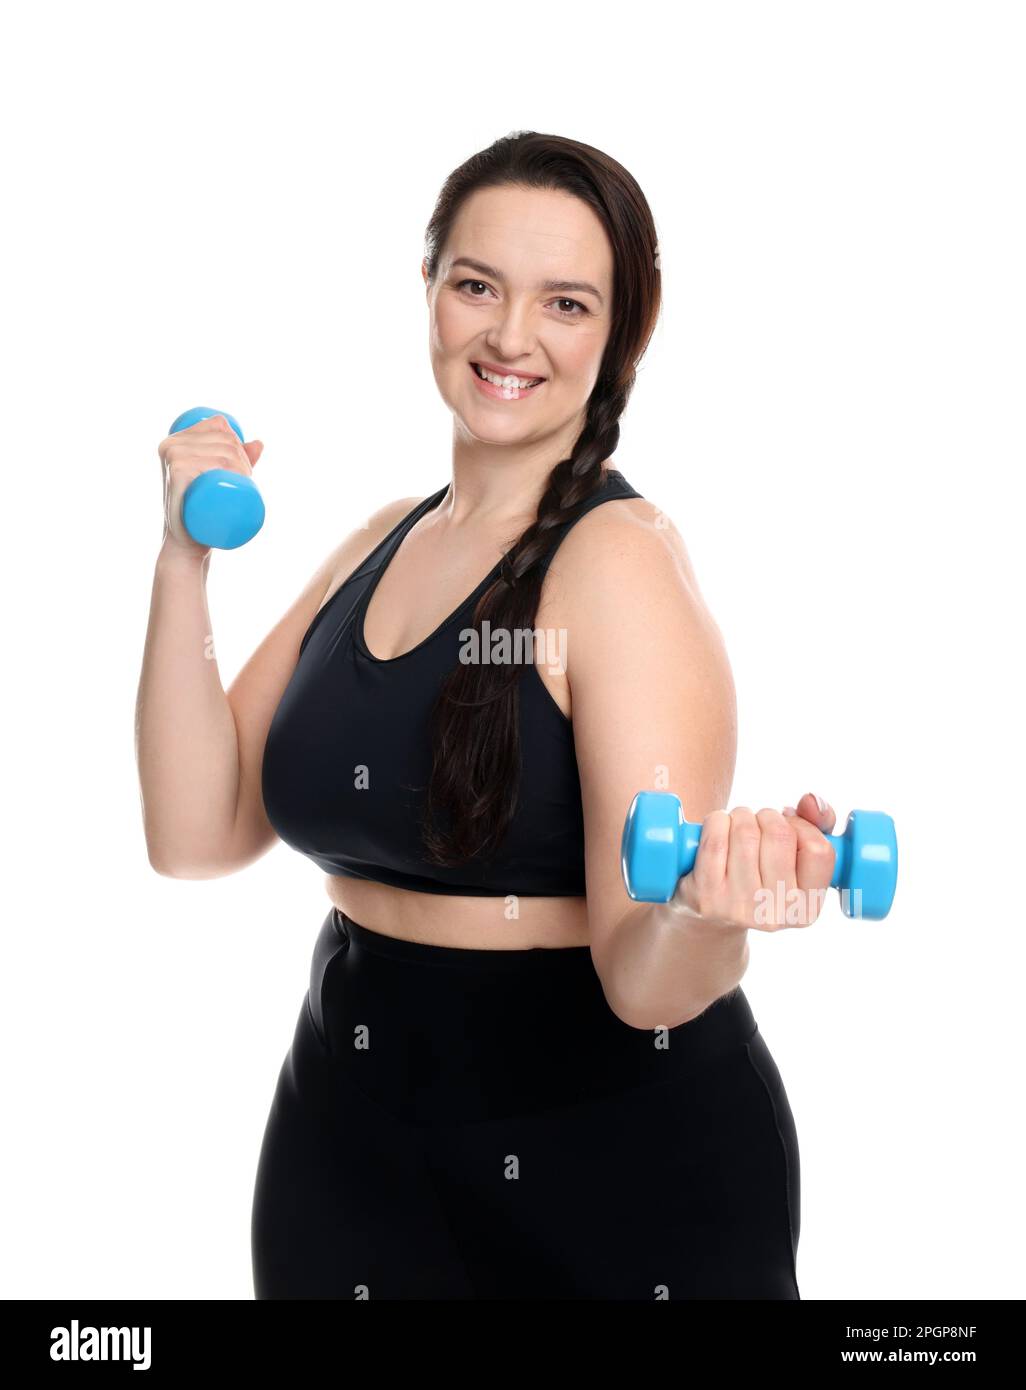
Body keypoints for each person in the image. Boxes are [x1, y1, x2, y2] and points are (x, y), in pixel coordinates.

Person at [137, 130, 837, 1301]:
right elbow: (194, 833)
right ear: (429, 291)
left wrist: (717, 917)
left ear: (619, 338)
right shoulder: (380, 539)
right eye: (477, 287)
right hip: (347, 1126)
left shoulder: (620, 567)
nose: (510, 338)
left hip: (611, 1157)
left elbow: (646, 980)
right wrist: (180, 560)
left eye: (565, 303)